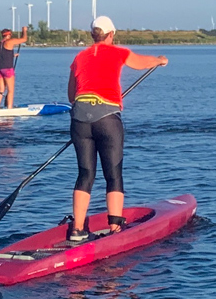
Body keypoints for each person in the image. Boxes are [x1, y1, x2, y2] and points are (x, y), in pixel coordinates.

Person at [64, 16, 168, 243]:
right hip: (107, 119)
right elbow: (141, 62)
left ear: (93, 35)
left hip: (79, 119)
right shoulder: (117, 52)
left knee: (85, 174)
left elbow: (71, 95)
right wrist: (159, 60)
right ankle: (115, 228)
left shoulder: (79, 57)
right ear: (111, 35)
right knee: (113, 174)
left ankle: (77, 229)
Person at [0, 27, 28, 109]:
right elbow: (24, 39)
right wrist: (24, 31)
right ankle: (10, 108)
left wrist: (12, 55)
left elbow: (3, 55)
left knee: (1, 89)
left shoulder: (0, 44)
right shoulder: (10, 41)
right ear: (9, 35)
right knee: (10, 90)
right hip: (7, 69)